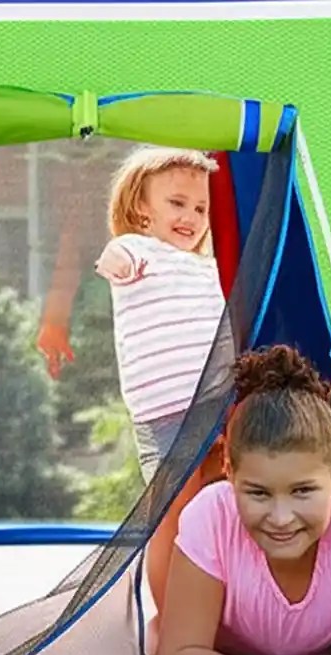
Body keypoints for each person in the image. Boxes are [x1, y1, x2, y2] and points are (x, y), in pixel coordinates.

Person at [153, 345, 331, 655]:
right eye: (258, 493)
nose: (281, 517)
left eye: (303, 491)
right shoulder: (212, 516)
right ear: (230, 476)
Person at [94, 145, 231, 613]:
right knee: (174, 513)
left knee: (215, 508)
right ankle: (168, 616)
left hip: (218, 405)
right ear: (140, 209)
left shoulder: (209, 266)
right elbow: (118, 256)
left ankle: (211, 610)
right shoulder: (140, 249)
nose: (191, 216)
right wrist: (117, 259)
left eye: (200, 208)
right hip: (167, 412)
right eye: (177, 203)